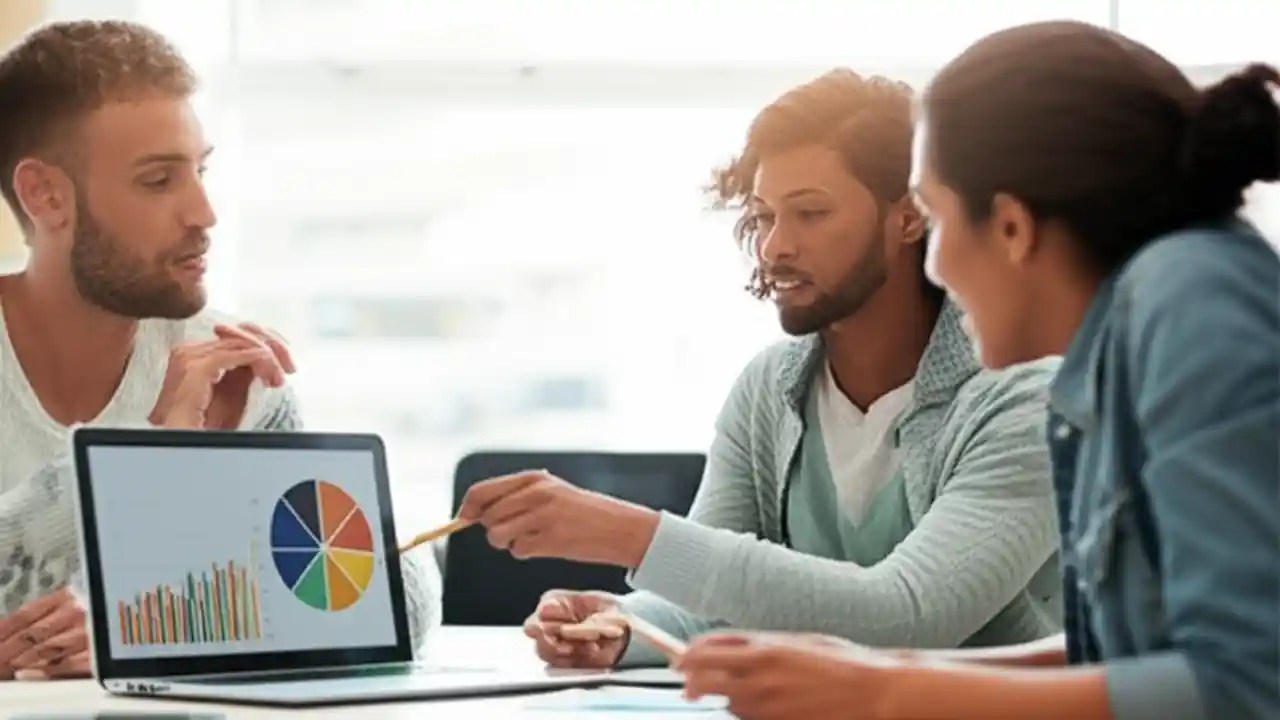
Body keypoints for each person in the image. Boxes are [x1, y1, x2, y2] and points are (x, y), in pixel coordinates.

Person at [676, 20, 1280, 720]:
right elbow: (1116, 655)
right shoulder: (1112, 349)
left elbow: (1246, 681)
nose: (932, 265)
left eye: (934, 217)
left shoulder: (1191, 304)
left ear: (1012, 228)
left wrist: (880, 690)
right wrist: (871, 671)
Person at [457, 69, 1063, 668]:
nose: (775, 247)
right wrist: (624, 625)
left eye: (811, 213)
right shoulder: (769, 387)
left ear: (908, 217)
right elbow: (714, 603)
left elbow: (911, 613)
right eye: (765, 216)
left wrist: (629, 534)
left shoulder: (1027, 397)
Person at [0, 20, 440, 681]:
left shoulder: (224, 368)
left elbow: (403, 600)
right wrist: (150, 457)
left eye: (200, 171)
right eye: (158, 181)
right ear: (46, 196)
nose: (204, 212)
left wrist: (164, 621)